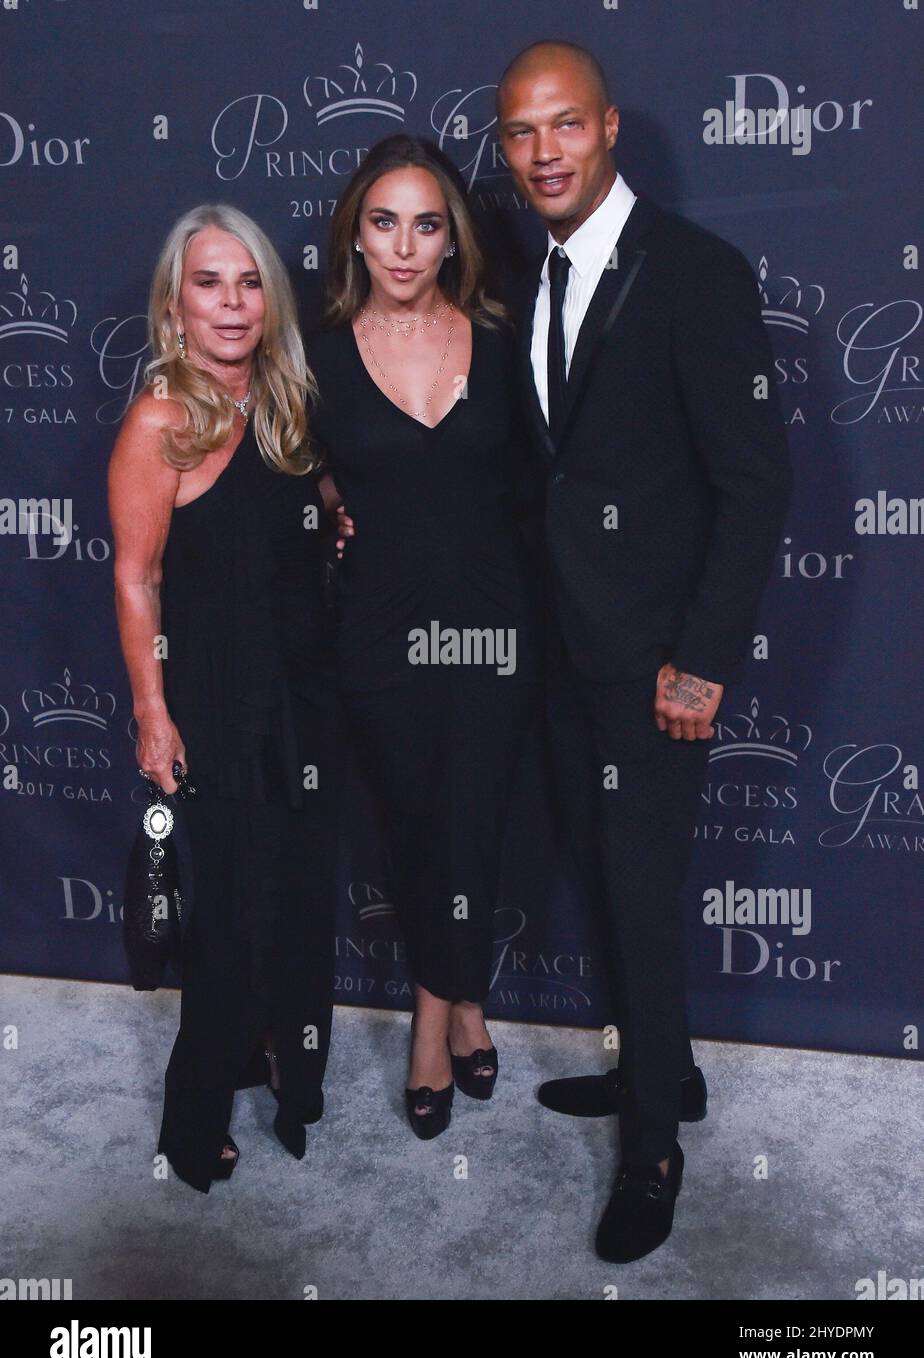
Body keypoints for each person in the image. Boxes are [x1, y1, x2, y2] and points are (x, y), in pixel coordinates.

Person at [495, 41, 793, 1260]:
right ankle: (656, 1074)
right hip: (567, 651)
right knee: (605, 877)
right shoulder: (531, 278)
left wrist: (702, 662)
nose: (545, 152)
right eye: (521, 134)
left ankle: (655, 1157)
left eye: (565, 125)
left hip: (659, 663)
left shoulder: (697, 274)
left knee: (639, 895)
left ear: (609, 127)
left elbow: (756, 485)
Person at [307, 134, 543, 1139]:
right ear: (357, 236)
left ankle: (430, 1023)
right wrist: (320, 497)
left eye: (427, 225)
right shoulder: (313, 352)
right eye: (384, 222)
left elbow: (548, 484)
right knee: (414, 831)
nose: (404, 246)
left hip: (491, 631)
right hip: (377, 636)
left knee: (474, 820)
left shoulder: (503, 338)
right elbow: (283, 471)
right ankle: (471, 1003)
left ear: (453, 240)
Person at [108, 204, 338, 1193]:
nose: (232, 302)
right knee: (236, 918)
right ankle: (190, 1122)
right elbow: (134, 576)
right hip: (220, 706)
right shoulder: (163, 420)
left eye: (249, 283)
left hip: (305, 698)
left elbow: (302, 525)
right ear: (176, 303)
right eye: (210, 282)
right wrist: (152, 713)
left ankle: (281, 1059)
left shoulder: (286, 408)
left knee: (297, 904)